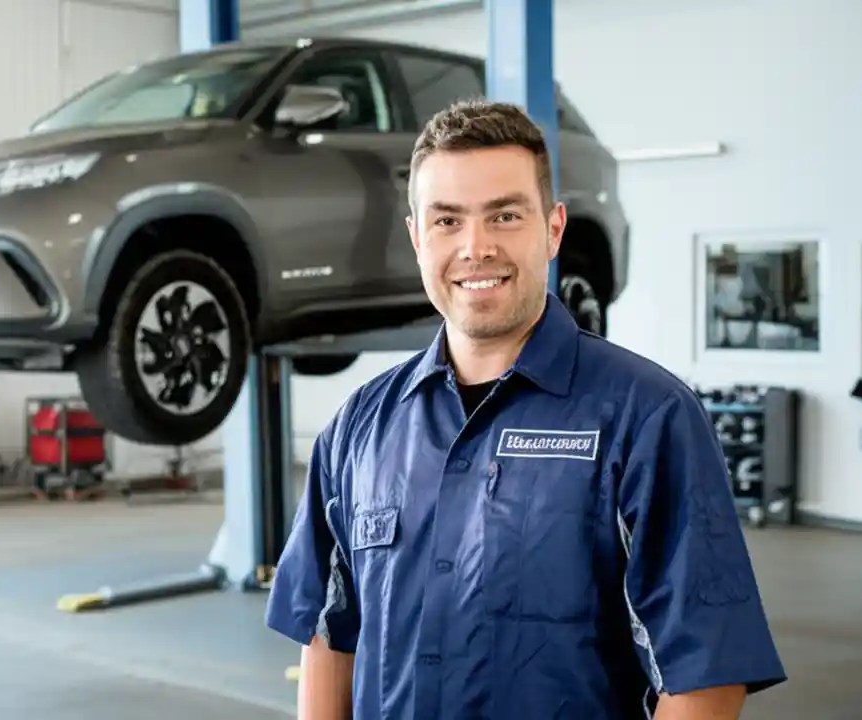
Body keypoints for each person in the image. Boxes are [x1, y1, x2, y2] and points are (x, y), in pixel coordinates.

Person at [264, 99, 786, 719]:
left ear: (553, 228)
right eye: (447, 221)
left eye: (505, 215)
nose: (475, 247)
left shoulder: (647, 418)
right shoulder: (360, 427)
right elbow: (329, 633)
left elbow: (704, 672)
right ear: (415, 237)